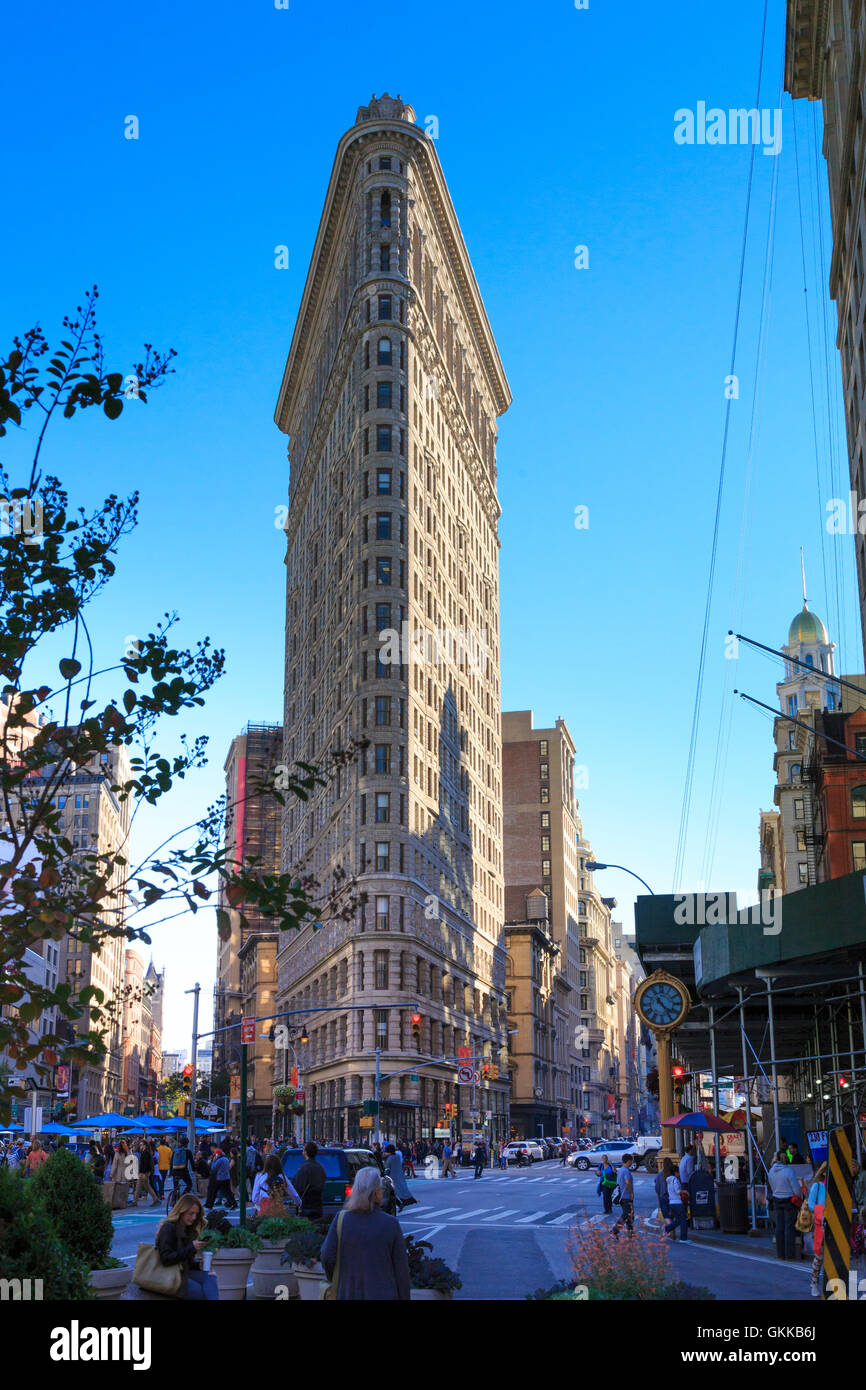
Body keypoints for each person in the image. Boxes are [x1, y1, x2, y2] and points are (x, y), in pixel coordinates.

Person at [320, 1166, 410, 1300]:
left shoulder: (341, 1220)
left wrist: (339, 1278)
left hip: (348, 1292)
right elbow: (401, 1271)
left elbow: (327, 1256)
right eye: (380, 1188)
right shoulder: (391, 1224)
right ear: (376, 1193)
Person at [154, 1193, 219, 1300]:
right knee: (199, 1292)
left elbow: (186, 1261)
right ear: (181, 1211)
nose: (194, 1217)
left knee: (210, 1277)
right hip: (169, 1274)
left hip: (184, 1271)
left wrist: (199, 1265)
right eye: (191, 1213)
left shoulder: (189, 1229)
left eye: (196, 1214)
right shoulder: (169, 1228)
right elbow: (166, 1259)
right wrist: (191, 1247)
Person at [768, 1149, 800, 1260]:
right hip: (789, 1200)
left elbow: (771, 1186)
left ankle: (780, 1254)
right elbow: (796, 1189)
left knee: (779, 1226)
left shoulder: (771, 1171)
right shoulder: (789, 1171)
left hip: (777, 1199)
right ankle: (789, 1255)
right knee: (789, 1227)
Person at [807, 1161, 827, 1297]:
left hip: (834, 1224)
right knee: (819, 1256)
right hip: (821, 1223)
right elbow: (810, 1204)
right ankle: (814, 1283)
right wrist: (822, 1212)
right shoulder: (818, 1186)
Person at [294, 1141, 327, 1220]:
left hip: (306, 1206)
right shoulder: (320, 1168)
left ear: (305, 1152)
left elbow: (298, 1186)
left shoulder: (304, 1168)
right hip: (318, 1205)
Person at [385, 1143, 417, 1209]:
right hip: (399, 1176)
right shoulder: (397, 1156)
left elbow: (387, 1168)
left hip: (392, 1178)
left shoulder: (390, 1158)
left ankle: (399, 1204)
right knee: (400, 1191)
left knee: (391, 1193)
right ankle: (403, 1203)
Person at [663, 1158, 688, 1241]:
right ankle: (683, 1238)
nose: (679, 1174)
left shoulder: (668, 1180)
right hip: (677, 1202)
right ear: (676, 1172)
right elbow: (677, 1191)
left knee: (679, 1220)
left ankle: (668, 1228)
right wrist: (685, 1191)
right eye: (678, 1172)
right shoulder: (675, 1180)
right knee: (683, 1219)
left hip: (671, 1203)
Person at [611, 1155, 635, 1238]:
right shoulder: (626, 1171)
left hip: (621, 1196)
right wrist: (631, 1193)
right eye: (631, 1161)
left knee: (629, 1215)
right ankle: (615, 1231)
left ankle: (630, 1232)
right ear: (628, 1161)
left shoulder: (621, 1170)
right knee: (626, 1214)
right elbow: (628, 1183)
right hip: (626, 1196)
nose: (632, 1162)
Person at [133, 1140, 160, 1207]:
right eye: (140, 1145)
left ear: (144, 1145)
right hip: (145, 1172)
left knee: (138, 1187)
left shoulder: (145, 1153)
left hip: (144, 1173)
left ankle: (135, 1202)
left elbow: (145, 1164)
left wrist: (143, 1173)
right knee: (147, 1187)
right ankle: (155, 1199)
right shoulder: (145, 1152)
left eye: (141, 1145)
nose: (140, 1146)